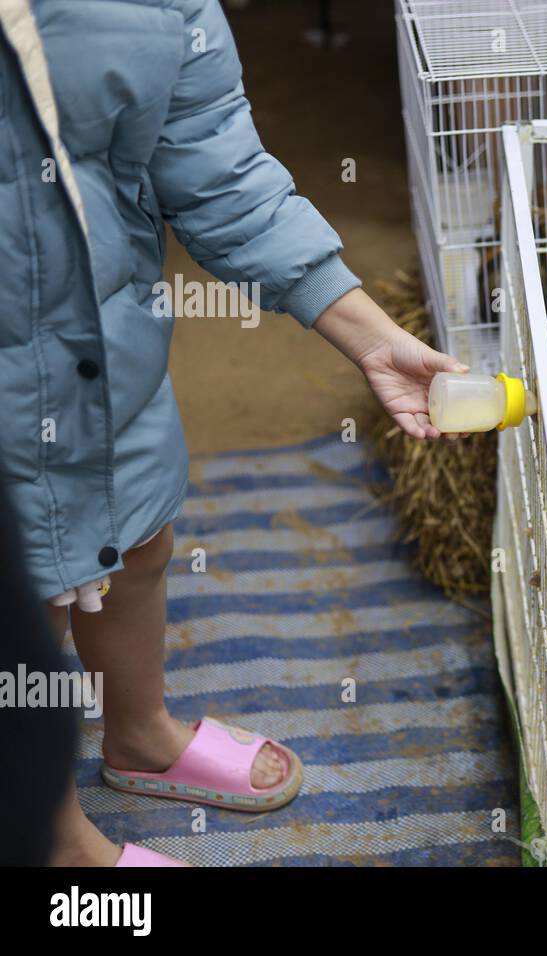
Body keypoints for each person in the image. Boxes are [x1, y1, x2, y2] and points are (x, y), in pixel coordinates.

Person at [0, 0, 462, 866]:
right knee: (26, 612)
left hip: (103, 338)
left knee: (139, 534)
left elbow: (218, 165)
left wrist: (369, 335)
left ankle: (138, 731)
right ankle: (52, 838)